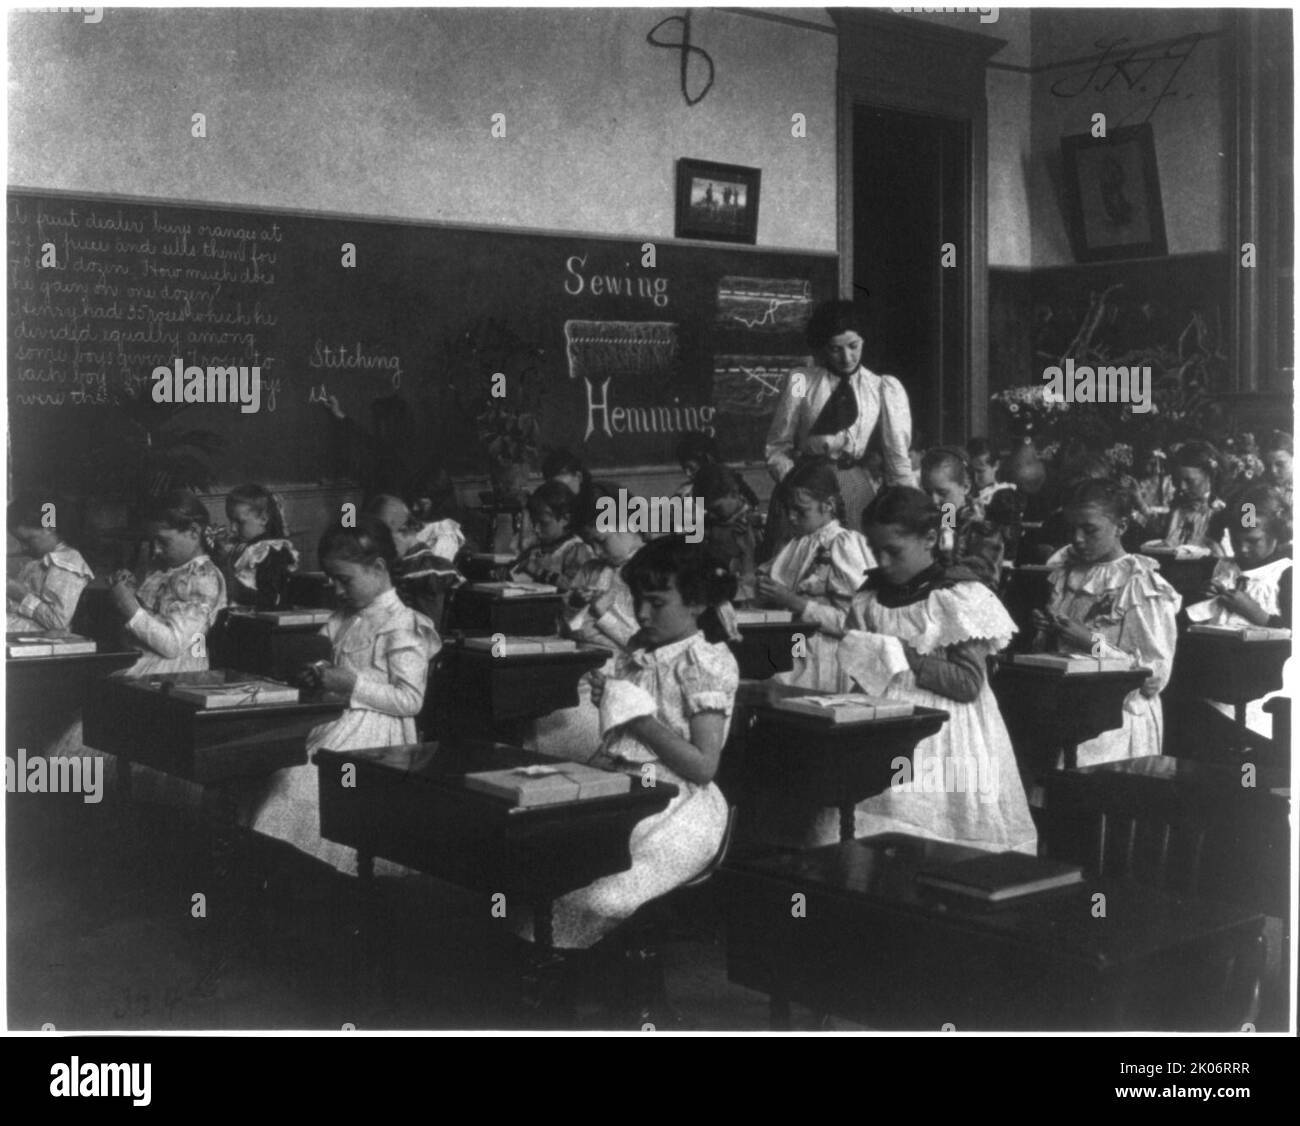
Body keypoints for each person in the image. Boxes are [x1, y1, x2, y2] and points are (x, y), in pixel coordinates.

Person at [539, 536, 737, 949]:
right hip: (626, 785)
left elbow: (703, 766)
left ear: (697, 603)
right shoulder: (643, 651)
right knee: (546, 868)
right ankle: (558, 973)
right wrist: (610, 699)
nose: (643, 614)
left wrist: (638, 719)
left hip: (680, 802)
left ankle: (602, 980)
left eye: (658, 604)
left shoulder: (703, 663)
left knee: (600, 894)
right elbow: (618, 636)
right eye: (638, 601)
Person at [840, 487, 1037, 854]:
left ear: (930, 538)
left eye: (893, 551)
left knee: (930, 835)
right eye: (875, 549)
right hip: (882, 724)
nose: (882, 561)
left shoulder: (953, 596)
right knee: (874, 828)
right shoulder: (870, 596)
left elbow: (968, 684)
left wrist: (907, 655)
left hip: (943, 733)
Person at [246, 517, 439, 875]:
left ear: (379, 568)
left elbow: (410, 700)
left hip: (376, 736)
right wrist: (316, 669)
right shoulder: (345, 616)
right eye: (331, 579)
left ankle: (314, 875)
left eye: (344, 579)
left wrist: (350, 685)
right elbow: (327, 651)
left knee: (299, 786)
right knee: (274, 770)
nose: (336, 589)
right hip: (335, 719)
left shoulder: (403, 624)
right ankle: (281, 872)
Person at [1033, 478, 1181, 765]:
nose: (1077, 538)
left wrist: (1091, 643)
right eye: (1072, 528)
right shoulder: (1066, 573)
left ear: (1121, 526)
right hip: (1068, 707)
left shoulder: (1140, 583)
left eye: (1089, 530)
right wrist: (1047, 632)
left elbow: (1152, 676)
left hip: (1116, 720)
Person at [765, 299, 915, 538]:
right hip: (804, 490)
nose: (847, 357)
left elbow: (897, 459)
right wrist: (794, 484)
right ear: (823, 347)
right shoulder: (800, 381)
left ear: (864, 340)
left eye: (854, 346)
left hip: (854, 488)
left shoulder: (882, 388)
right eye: (836, 349)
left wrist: (911, 506)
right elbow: (777, 446)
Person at [755, 458, 875, 690]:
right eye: (787, 509)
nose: (791, 517)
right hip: (796, 647)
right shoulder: (797, 543)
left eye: (800, 511)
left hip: (827, 655)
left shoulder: (843, 545)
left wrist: (795, 602)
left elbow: (856, 623)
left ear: (828, 505)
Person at [1186, 486, 1291, 740]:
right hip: (1214, 672)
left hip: (1262, 678)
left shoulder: (1286, 574)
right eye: (1235, 540)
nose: (1242, 549)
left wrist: (1259, 615)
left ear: (1275, 535)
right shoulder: (1222, 567)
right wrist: (1205, 597)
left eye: (1253, 541)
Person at [6, 495, 93, 633]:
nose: (23, 547)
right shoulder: (38, 560)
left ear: (50, 527)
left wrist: (20, 594)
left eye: (28, 540)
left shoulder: (67, 562)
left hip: (45, 640)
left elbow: (57, 622)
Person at [211, 484, 298, 609]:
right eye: (231, 521)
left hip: (260, 620)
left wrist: (233, 586)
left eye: (240, 522)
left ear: (263, 519)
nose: (233, 529)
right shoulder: (242, 547)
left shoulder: (270, 551)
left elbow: (269, 599)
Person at [694, 462, 760, 604]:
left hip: (741, 591)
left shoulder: (749, 524)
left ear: (733, 494)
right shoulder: (710, 523)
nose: (711, 514)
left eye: (716, 509)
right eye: (707, 510)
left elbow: (752, 570)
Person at [1148, 440, 1231, 555]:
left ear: (1209, 477)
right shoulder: (1177, 511)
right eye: (1178, 480)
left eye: (1189, 481)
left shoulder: (1220, 514)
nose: (1182, 487)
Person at [511, 481, 594, 590]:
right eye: (534, 523)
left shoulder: (576, 549)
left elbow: (574, 586)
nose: (536, 529)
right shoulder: (537, 548)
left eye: (543, 523)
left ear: (565, 519)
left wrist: (537, 571)